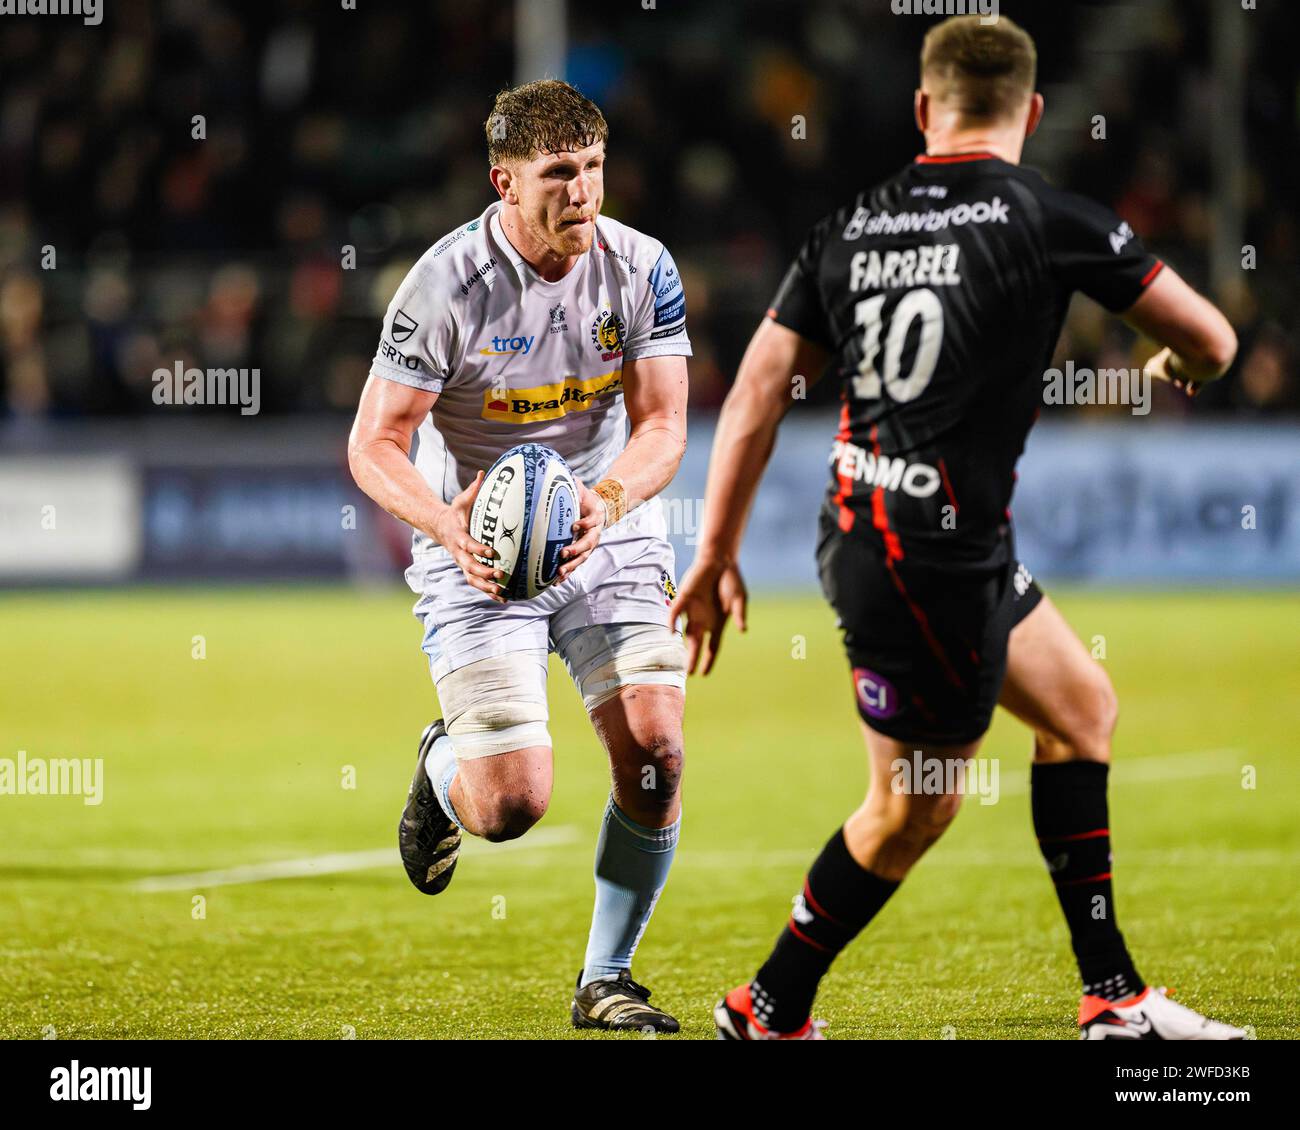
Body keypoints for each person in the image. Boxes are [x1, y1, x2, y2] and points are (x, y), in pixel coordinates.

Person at [670, 15, 1244, 1041]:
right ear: (1029, 110)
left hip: (900, 532)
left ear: (924, 109)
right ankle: (766, 1006)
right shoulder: (1054, 215)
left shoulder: (850, 223)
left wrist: (713, 552)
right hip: (917, 556)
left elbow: (757, 387)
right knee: (912, 806)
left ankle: (1112, 995)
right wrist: (1184, 369)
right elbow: (1211, 337)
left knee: (1079, 705)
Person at [348, 79, 691, 1032]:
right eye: (558, 175)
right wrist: (450, 530)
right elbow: (373, 443)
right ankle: (444, 767)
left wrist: (608, 499)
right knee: (509, 806)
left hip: (602, 521)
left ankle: (607, 980)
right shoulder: (442, 285)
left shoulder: (642, 265)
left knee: (656, 750)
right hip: (478, 543)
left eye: (593, 170)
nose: (582, 194)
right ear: (504, 180)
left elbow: (663, 423)